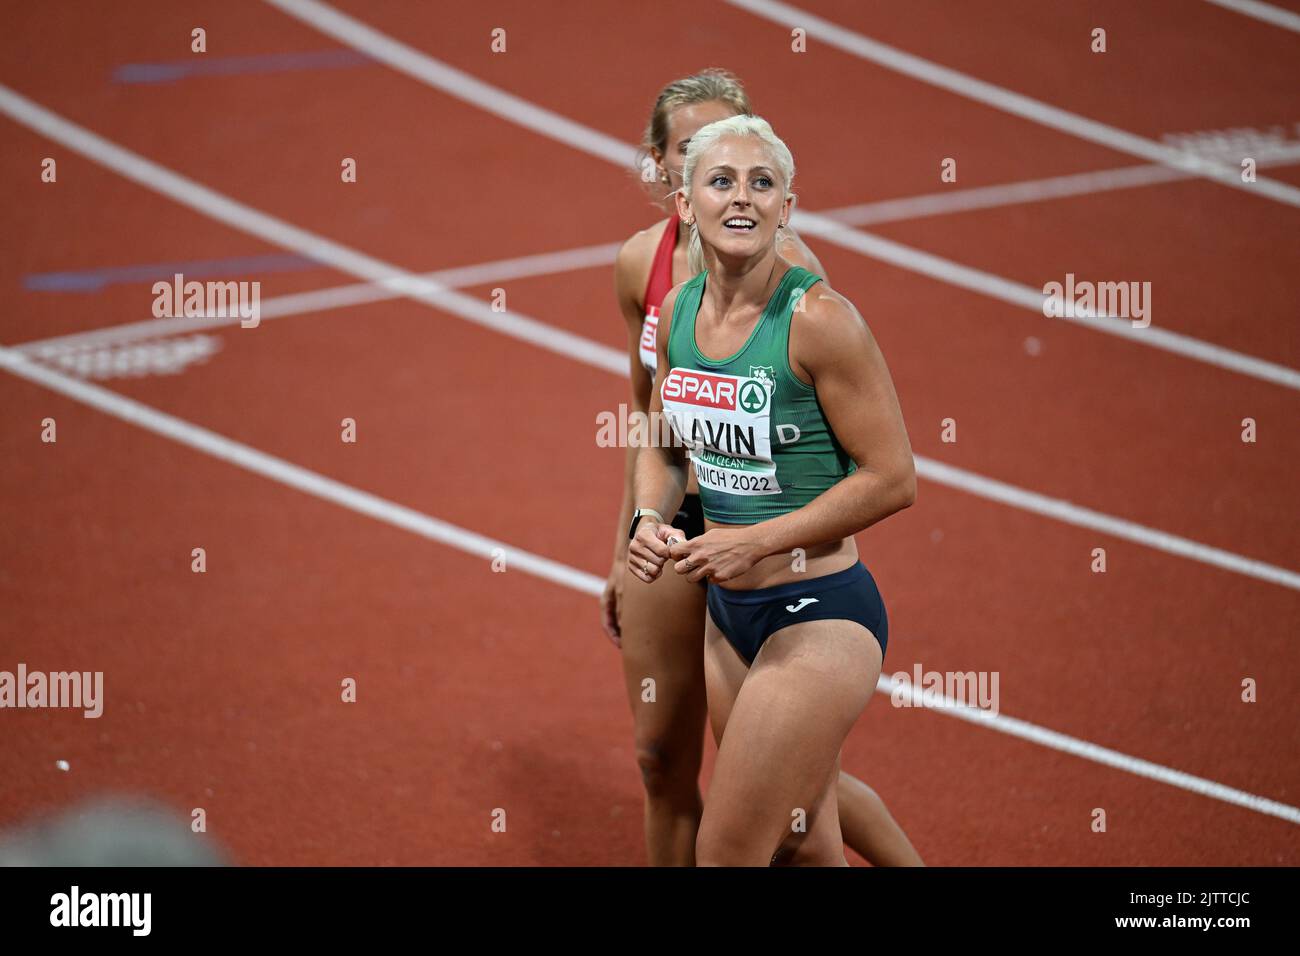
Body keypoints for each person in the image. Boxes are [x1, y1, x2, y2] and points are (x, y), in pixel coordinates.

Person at [609, 73, 921, 866]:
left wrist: (759, 542)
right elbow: (661, 438)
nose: (741, 197)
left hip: (817, 612)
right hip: (728, 620)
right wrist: (646, 520)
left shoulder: (820, 320)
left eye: (762, 182)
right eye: (720, 180)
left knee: (730, 854)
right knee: (808, 844)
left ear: (788, 206)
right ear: (685, 201)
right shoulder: (674, 312)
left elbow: (893, 478)